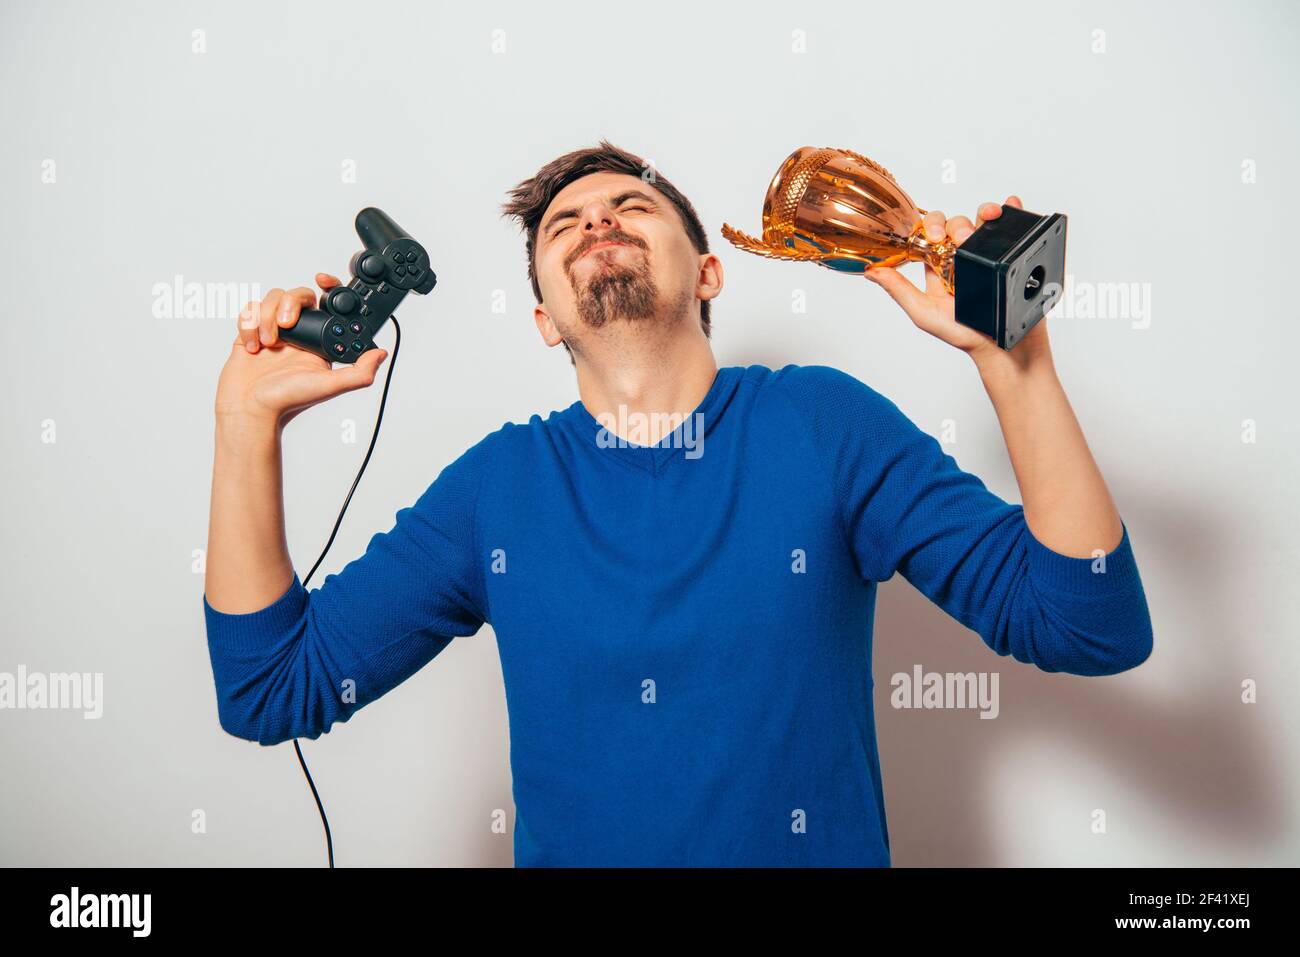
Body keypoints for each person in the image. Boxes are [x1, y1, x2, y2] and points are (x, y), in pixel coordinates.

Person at [202, 140, 1153, 866]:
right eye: (564, 224)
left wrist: (1013, 359)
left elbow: (1089, 624)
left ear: (708, 271)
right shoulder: (498, 490)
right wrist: (246, 422)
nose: (596, 222)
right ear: (544, 318)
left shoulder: (822, 424)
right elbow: (270, 689)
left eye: (631, 204)